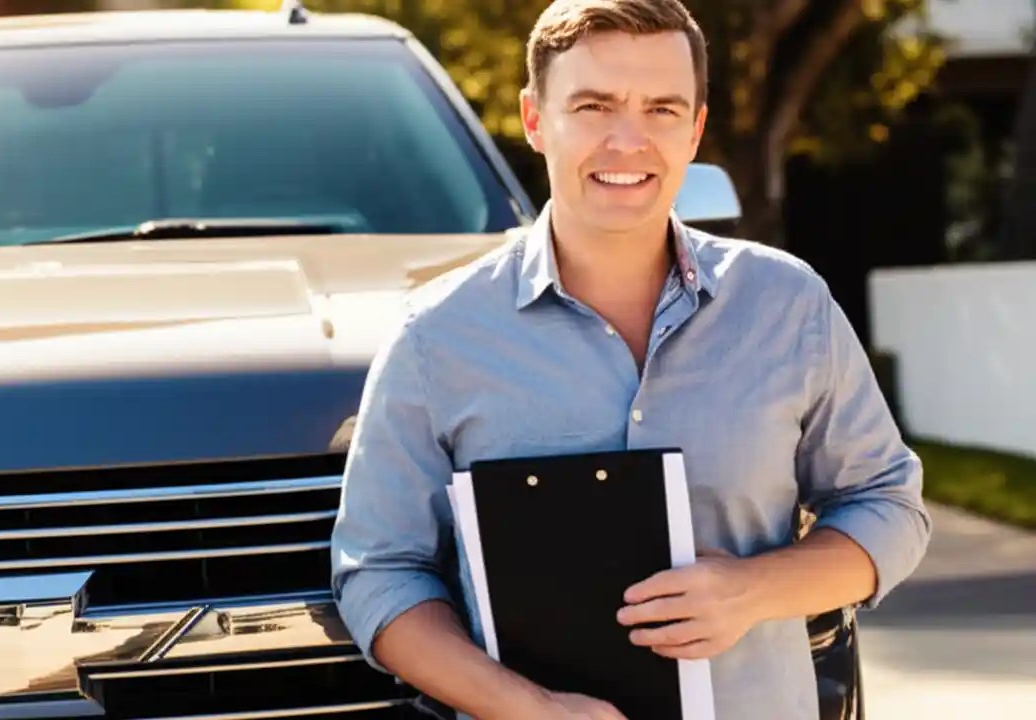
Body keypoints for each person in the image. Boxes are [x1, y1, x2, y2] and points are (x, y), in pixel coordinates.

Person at [329, 1, 931, 718]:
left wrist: (752, 590)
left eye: (662, 109)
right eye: (593, 105)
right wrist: (527, 709)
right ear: (533, 119)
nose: (628, 141)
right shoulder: (436, 337)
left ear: (696, 128)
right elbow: (379, 575)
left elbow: (889, 506)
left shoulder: (788, 304)